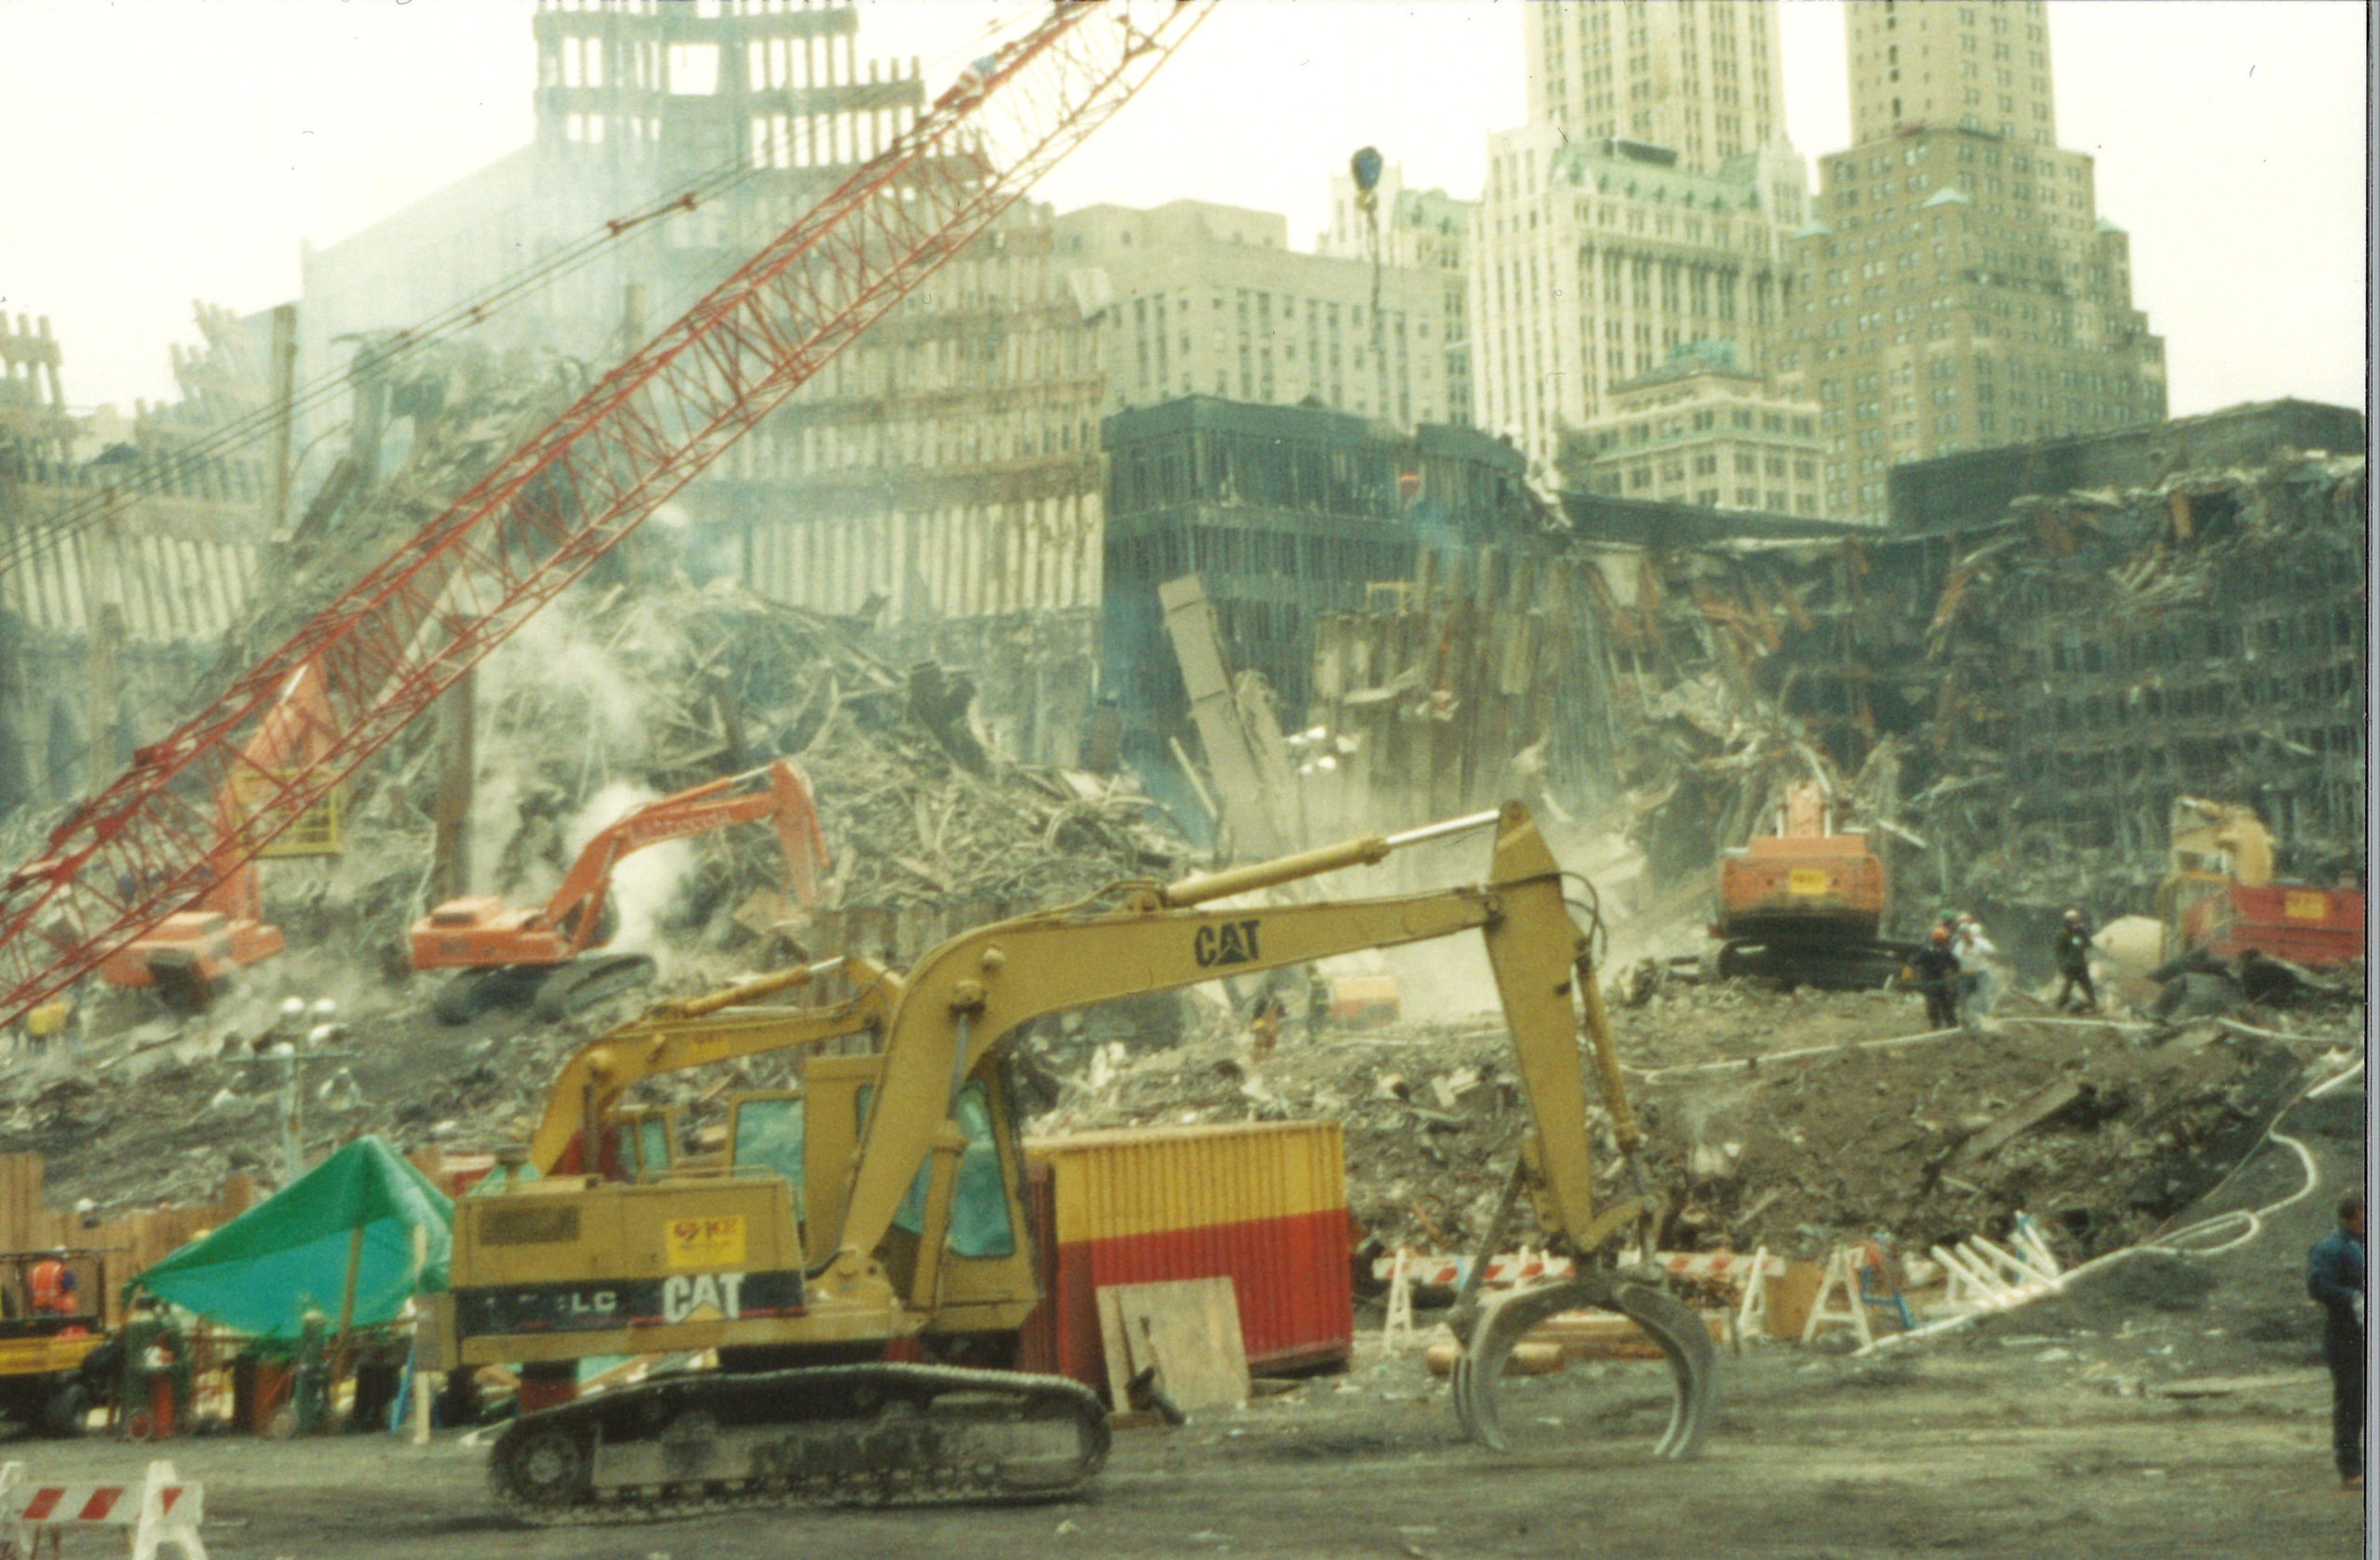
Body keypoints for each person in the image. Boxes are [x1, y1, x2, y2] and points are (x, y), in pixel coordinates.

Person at [2307, 1190, 2365, 1490]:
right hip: (2346, 1338)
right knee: (2351, 1402)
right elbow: (2317, 1285)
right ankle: (2351, 1468)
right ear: (2349, 1217)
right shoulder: (2330, 1248)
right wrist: (2351, 1298)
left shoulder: (2365, 1244)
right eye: (2362, 1214)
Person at [1907, 926, 1961, 1031]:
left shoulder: (1945, 952)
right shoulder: (1928, 951)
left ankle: (1951, 1023)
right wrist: (1910, 968)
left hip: (1940, 980)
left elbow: (1955, 964)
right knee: (1933, 1003)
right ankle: (1936, 1024)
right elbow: (1914, 960)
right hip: (1930, 980)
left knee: (1945, 1002)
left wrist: (1957, 972)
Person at [1950, 912, 1999, 1022]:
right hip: (1965, 974)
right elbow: (1955, 958)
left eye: (1967, 933)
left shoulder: (1980, 943)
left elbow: (1991, 951)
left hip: (1980, 973)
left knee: (1983, 995)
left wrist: (1989, 954)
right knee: (1963, 997)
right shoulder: (1959, 946)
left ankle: (1985, 1017)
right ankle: (1965, 1018)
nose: (1965, 936)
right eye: (1963, 934)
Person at [2052, 908, 2098, 1013]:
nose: (2076, 921)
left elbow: (2088, 945)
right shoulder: (2063, 935)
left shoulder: (2079, 933)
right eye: (2073, 919)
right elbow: (2058, 952)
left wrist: (2083, 933)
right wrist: (2064, 965)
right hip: (2070, 967)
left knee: (2089, 990)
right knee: (2067, 988)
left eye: (2077, 919)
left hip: (2080, 966)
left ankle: (2083, 1007)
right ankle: (2058, 1007)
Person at [28, 1250, 77, 1315]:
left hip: (40, 1310)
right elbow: (72, 1285)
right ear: (61, 1259)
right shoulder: (61, 1270)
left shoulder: (36, 1270)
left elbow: (30, 1288)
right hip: (57, 1309)